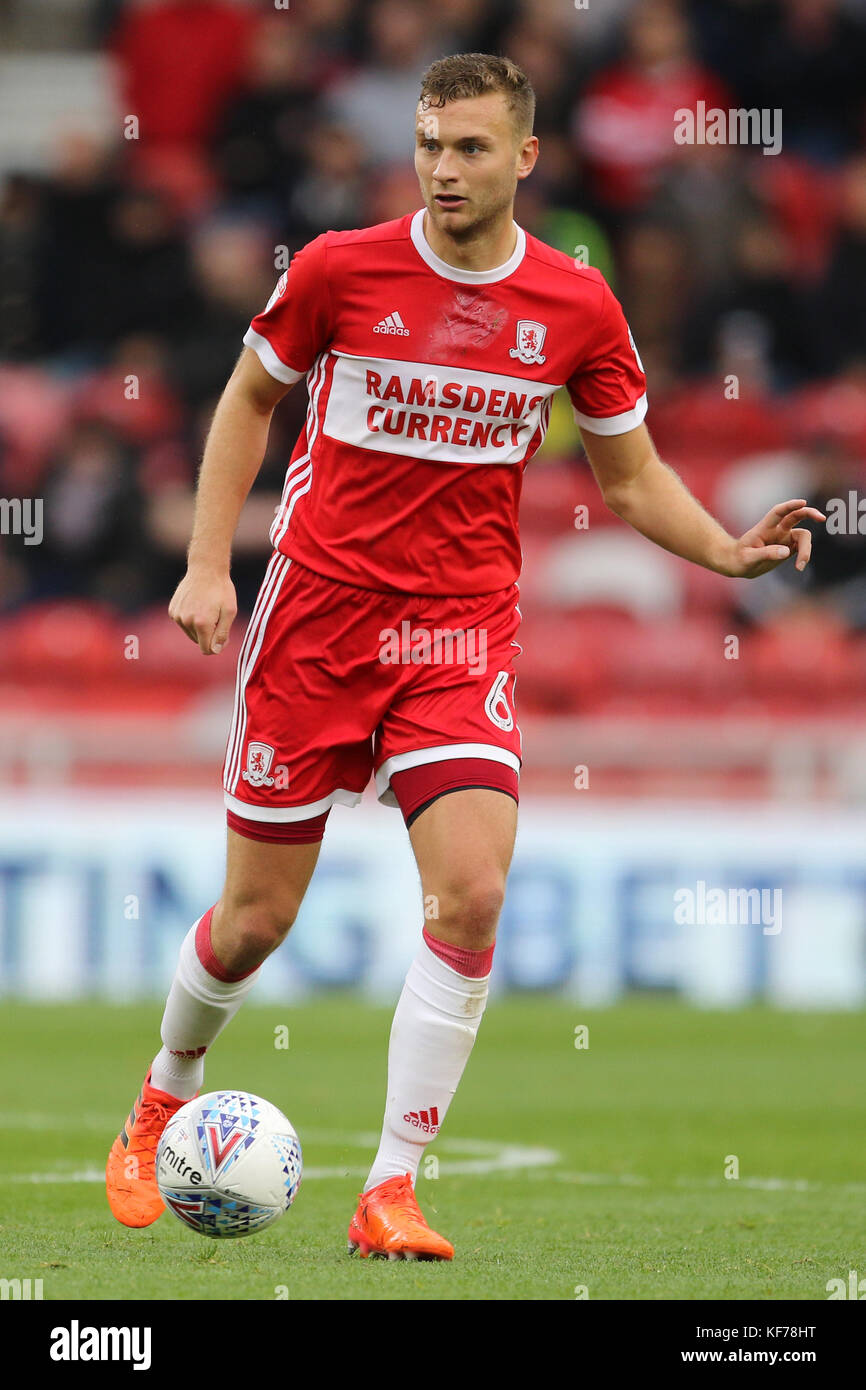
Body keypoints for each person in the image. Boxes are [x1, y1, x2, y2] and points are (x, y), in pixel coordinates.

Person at [105, 52, 823, 1261]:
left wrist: (727, 553)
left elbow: (630, 476)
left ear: (524, 160)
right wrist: (205, 563)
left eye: (472, 148)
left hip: (456, 630)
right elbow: (243, 400)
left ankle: (388, 1189)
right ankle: (163, 1091)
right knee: (251, 922)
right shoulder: (339, 268)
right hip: (316, 622)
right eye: (432, 144)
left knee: (475, 892)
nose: (444, 168)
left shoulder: (576, 306)